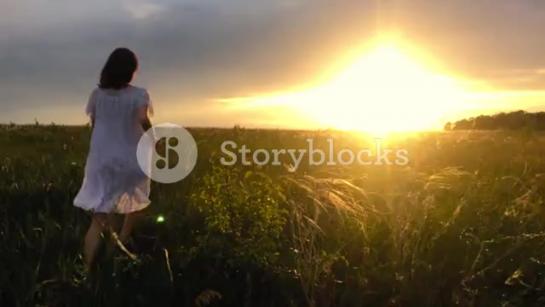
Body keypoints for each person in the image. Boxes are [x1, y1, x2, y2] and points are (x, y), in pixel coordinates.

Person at [74, 47, 153, 269]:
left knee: (99, 218)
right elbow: (142, 119)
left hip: (101, 160)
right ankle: (119, 246)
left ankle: (87, 271)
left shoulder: (97, 95)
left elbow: (96, 125)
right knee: (135, 203)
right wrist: (156, 139)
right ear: (131, 71)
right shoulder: (139, 94)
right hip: (130, 159)